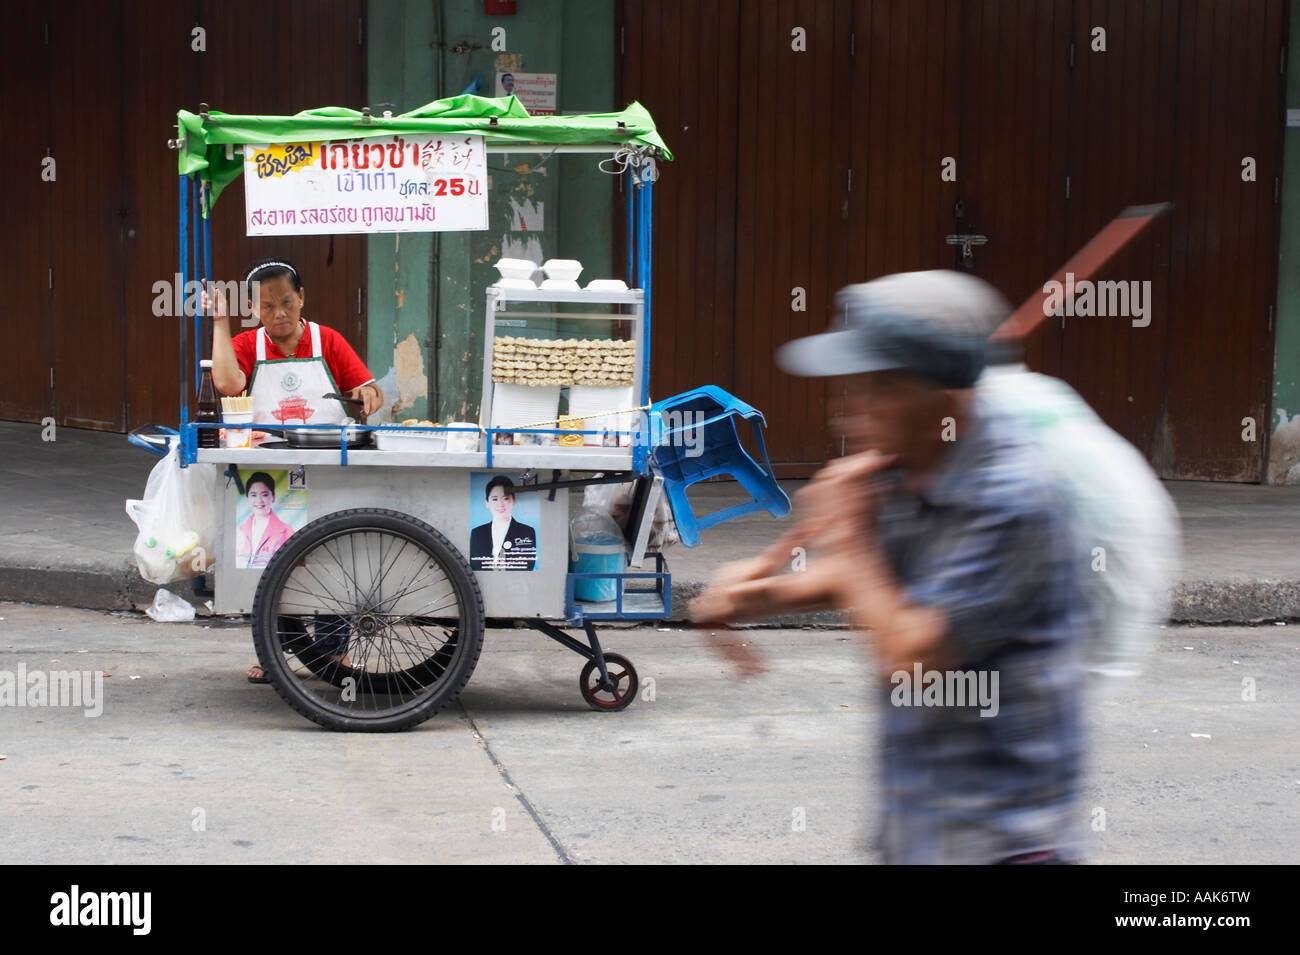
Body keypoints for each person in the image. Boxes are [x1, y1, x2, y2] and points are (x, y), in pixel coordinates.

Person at [690, 271, 1094, 865]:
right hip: (916, 826)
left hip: (999, 840)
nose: (847, 410)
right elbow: (892, 586)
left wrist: (849, 532)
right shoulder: (911, 464)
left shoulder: (1015, 497)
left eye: (877, 387)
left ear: (944, 400)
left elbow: (913, 650)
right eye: (849, 386)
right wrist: (755, 599)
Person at [205, 259, 383, 423]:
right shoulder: (246, 345)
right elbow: (226, 385)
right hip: (263, 455)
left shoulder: (328, 340)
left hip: (328, 452)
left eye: (287, 302)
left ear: (301, 297)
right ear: (253, 308)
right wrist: (220, 320)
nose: (280, 313)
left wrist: (368, 394)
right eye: (268, 306)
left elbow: (374, 393)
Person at [470, 476, 537, 571]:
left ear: (513, 501)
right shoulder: (477, 533)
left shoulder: (527, 531)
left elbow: (528, 565)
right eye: (494, 499)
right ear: (487, 503)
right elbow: (474, 566)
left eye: (505, 498)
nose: (500, 504)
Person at [236, 472, 294, 569]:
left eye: (264, 495)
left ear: (273, 497)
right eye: (253, 495)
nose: (259, 500)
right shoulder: (240, 531)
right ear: (247, 498)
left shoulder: (286, 531)